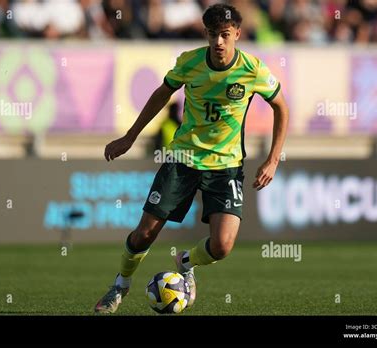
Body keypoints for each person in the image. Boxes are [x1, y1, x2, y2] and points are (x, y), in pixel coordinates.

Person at [95, 3, 289, 314]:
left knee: (222, 246)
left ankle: (186, 262)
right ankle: (120, 285)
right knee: (145, 231)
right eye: (213, 35)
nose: (219, 42)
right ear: (206, 34)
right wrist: (131, 136)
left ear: (237, 33)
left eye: (225, 35)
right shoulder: (190, 63)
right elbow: (162, 94)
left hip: (226, 167)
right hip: (183, 159)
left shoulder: (253, 70)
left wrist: (273, 159)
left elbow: (281, 106)